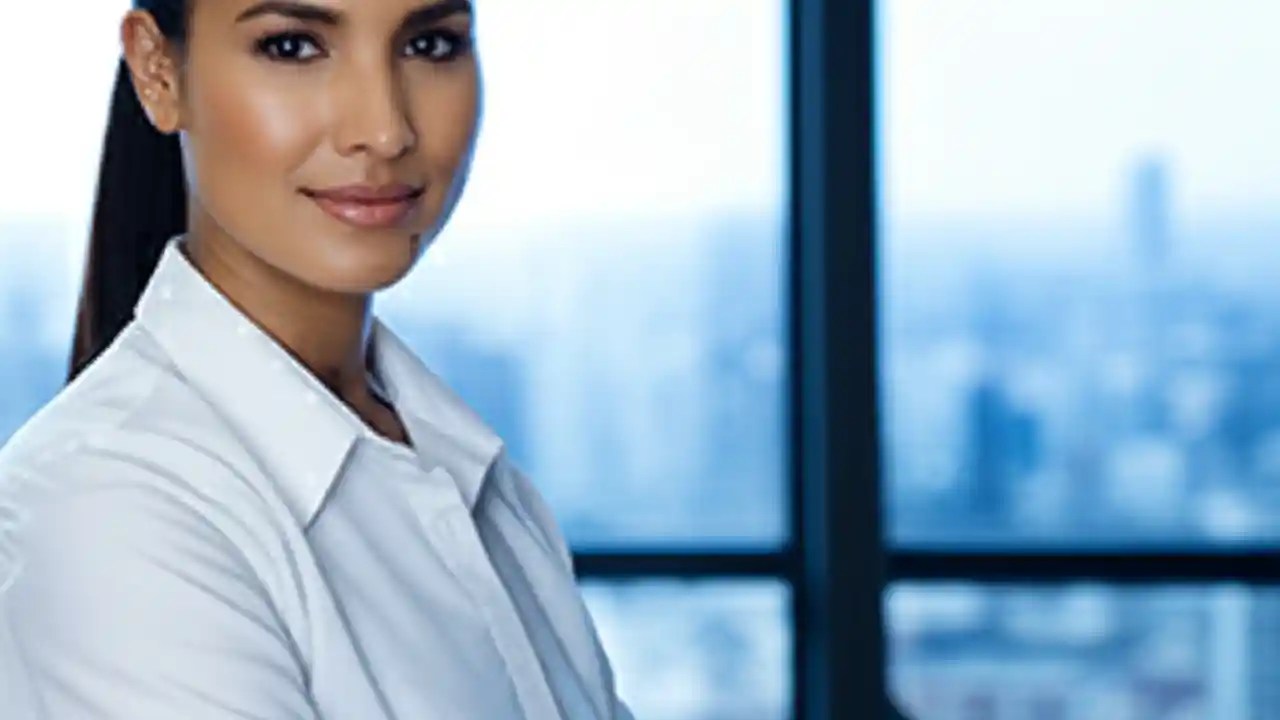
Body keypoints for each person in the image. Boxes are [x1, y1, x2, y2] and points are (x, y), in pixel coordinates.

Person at [0, 1, 634, 718]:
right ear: (158, 71)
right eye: (293, 47)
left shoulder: (476, 480)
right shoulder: (105, 511)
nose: (386, 129)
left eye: (430, 43)